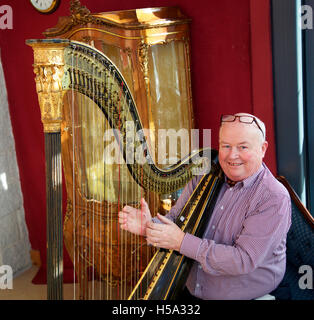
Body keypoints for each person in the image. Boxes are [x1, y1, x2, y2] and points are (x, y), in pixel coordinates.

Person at [118, 113, 291, 300]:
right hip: (189, 288)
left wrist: (181, 242)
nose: (232, 155)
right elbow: (177, 220)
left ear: (263, 148)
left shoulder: (273, 198)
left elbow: (243, 260)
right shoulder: (205, 176)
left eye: (243, 147)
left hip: (245, 295)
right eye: (226, 146)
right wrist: (148, 227)